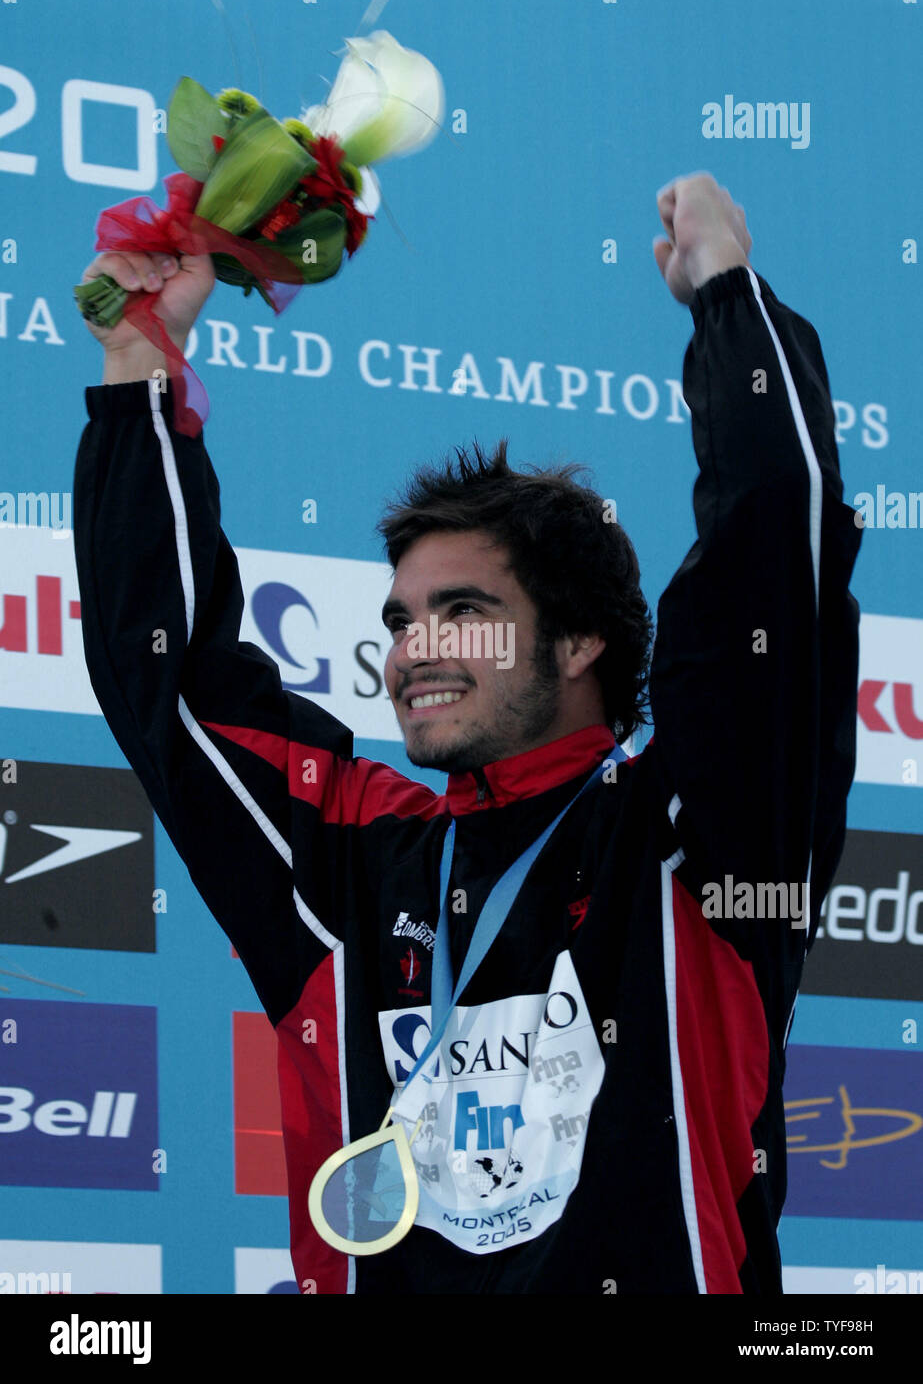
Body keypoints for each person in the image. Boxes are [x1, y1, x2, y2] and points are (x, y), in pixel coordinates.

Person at [74, 173, 862, 1294]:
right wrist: (138, 364)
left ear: (579, 640)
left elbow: (775, 548)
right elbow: (167, 680)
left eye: (463, 612)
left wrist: (725, 295)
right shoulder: (347, 855)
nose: (411, 649)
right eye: (399, 619)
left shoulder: (698, 836)